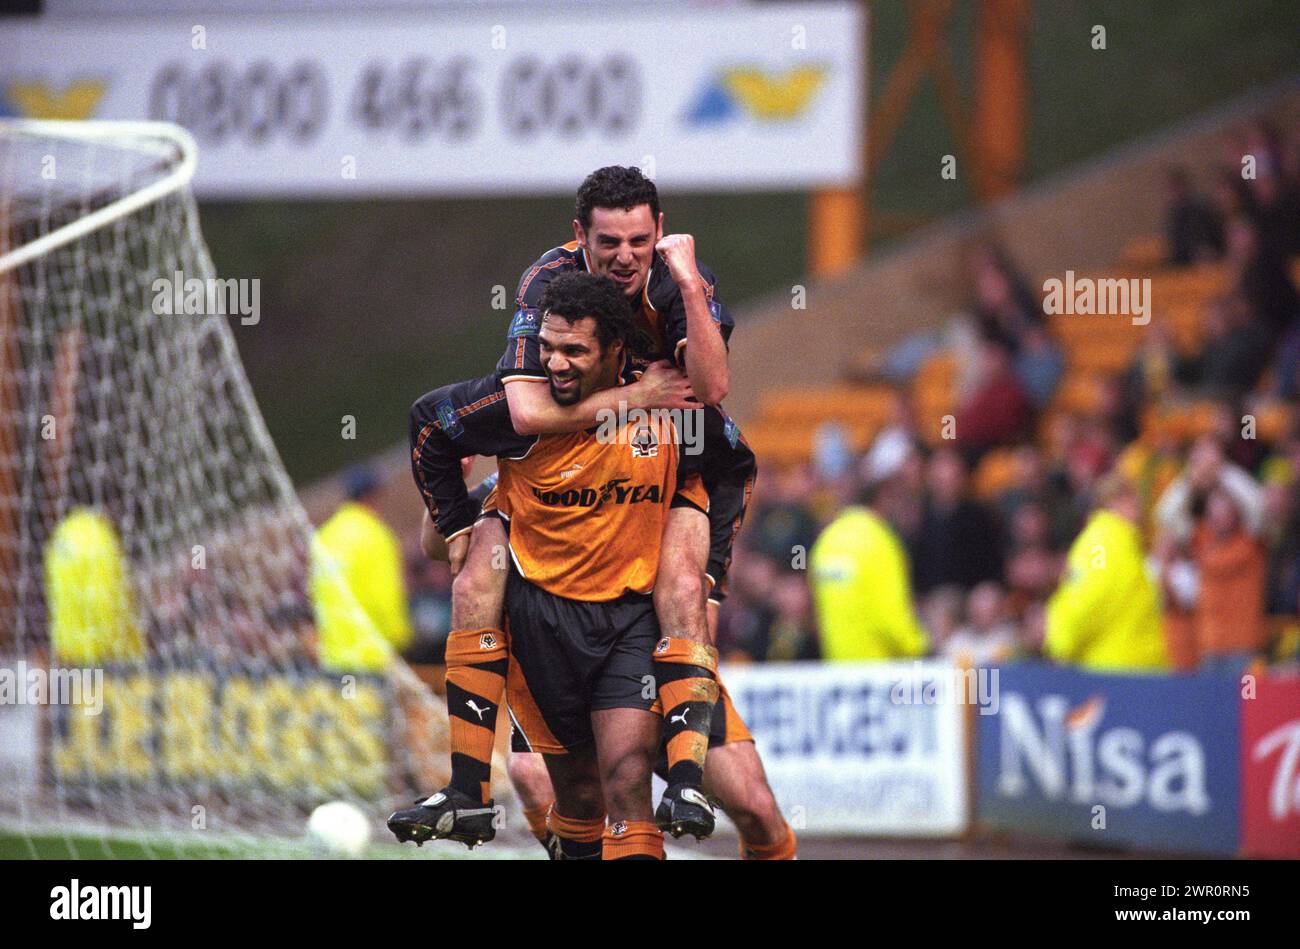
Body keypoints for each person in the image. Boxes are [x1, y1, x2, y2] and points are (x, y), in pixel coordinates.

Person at [407, 166, 767, 844]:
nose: (625, 255)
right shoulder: (538, 377)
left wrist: (713, 575)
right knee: (560, 778)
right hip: (548, 620)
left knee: (737, 798)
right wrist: (454, 520)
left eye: (639, 239)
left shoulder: (674, 412)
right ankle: (467, 788)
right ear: (580, 238)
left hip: (635, 611)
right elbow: (487, 419)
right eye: (609, 242)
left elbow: (716, 401)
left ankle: (687, 780)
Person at [1044, 473, 1168, 672]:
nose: (1137, 504)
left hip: (1138, 670)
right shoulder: (1099, 544)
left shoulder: (1128, 545)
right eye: (1128, 497)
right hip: (1112, 673)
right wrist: (1061, 644)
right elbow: (1088, 593)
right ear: (1111, 502)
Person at [809, 464, 929, 662]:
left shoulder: (825, 542)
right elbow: (892, 615)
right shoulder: (880, 542)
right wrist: (920, 648)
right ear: (882, 498)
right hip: (881, 674)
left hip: (838, 671)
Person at [309, 467, 412, 674]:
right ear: (373, 495)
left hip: (333, 657)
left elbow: (316, 593)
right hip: (372, 656)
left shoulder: (324, 536)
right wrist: (401, 639)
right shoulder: (375, 535)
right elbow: (385, 596)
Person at [44, 507, 145, 665]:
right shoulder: (101, 537)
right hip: (110, 659)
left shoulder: (63, 532)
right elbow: (104, 601)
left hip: (68, 653)